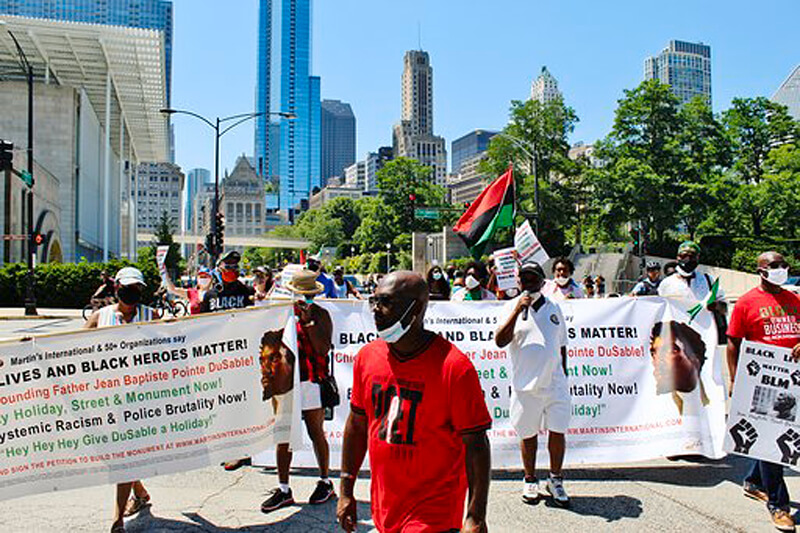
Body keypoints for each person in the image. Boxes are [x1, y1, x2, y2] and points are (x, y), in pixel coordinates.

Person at [337, 271, 491, 533]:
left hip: (434, 514)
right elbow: (357, 425)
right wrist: (346, 489)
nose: (376, 310)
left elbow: (476, 443)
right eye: (373, 301)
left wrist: (475, 515)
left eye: (386, 302)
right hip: (385, 510)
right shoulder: (367, 357)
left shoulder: (454, 367)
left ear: (416, 308)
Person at [727, 251, 800, 532]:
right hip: (763, 384)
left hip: (792, 381)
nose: (781, 269)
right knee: (773, 442)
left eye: (784, 264)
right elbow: (733, 342)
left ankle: (754, 481)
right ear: (761, 270)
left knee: (773, 439)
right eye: (774, 266)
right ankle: (779, 505)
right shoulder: (747, 303)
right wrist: (735, 379)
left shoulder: (794, 299)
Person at [85, 267, 159, 533]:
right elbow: (70, 351)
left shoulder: (152, 317)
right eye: (128, 287)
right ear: (117, 288)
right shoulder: (99, 318)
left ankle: (117, 520)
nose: (133, 293)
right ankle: (140, 493)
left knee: (124, 457)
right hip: (107, 399)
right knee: (112, 456)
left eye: (137, 288)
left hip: (138, 401)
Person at [495, 260, 571, 508]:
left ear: (542, 281)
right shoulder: (510, 307)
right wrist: (518, 311)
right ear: (518, 281)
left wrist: (564, 376)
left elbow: (561, 346)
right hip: (525, 385)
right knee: (528, 435)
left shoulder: (554, 308)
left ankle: (555, 479)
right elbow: (500, 341)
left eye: (533, 277)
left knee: (557, 431)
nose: (528, 282)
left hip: (555, 384)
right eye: (524, 278)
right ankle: (529, 479)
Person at [261, 269, 336, 512]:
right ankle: (284, 489)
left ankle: (325, 481)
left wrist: (309, 322)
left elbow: (323, 350)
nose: (306, 302)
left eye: (310, 297)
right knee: (283, 436)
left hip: (312, 382)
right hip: (287, 385)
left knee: (316, 432)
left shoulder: (322, 315)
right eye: (303, 297)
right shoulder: (281, 316)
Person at [658, 241, 727, 344]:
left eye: (692, 256)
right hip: (676, 339)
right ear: (678, 257)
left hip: (704, 337)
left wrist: (716, 306)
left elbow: (724, 308)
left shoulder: (708, 280)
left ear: (698, 258)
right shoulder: (667, 284)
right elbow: (659, 311)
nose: (688, 259)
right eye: (684, 256)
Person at [649, 320, 709, 414]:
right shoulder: (654, 411)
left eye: (669, 350)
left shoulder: (710, 410)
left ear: (694, 359)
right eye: (654, 353)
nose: (658, 359)